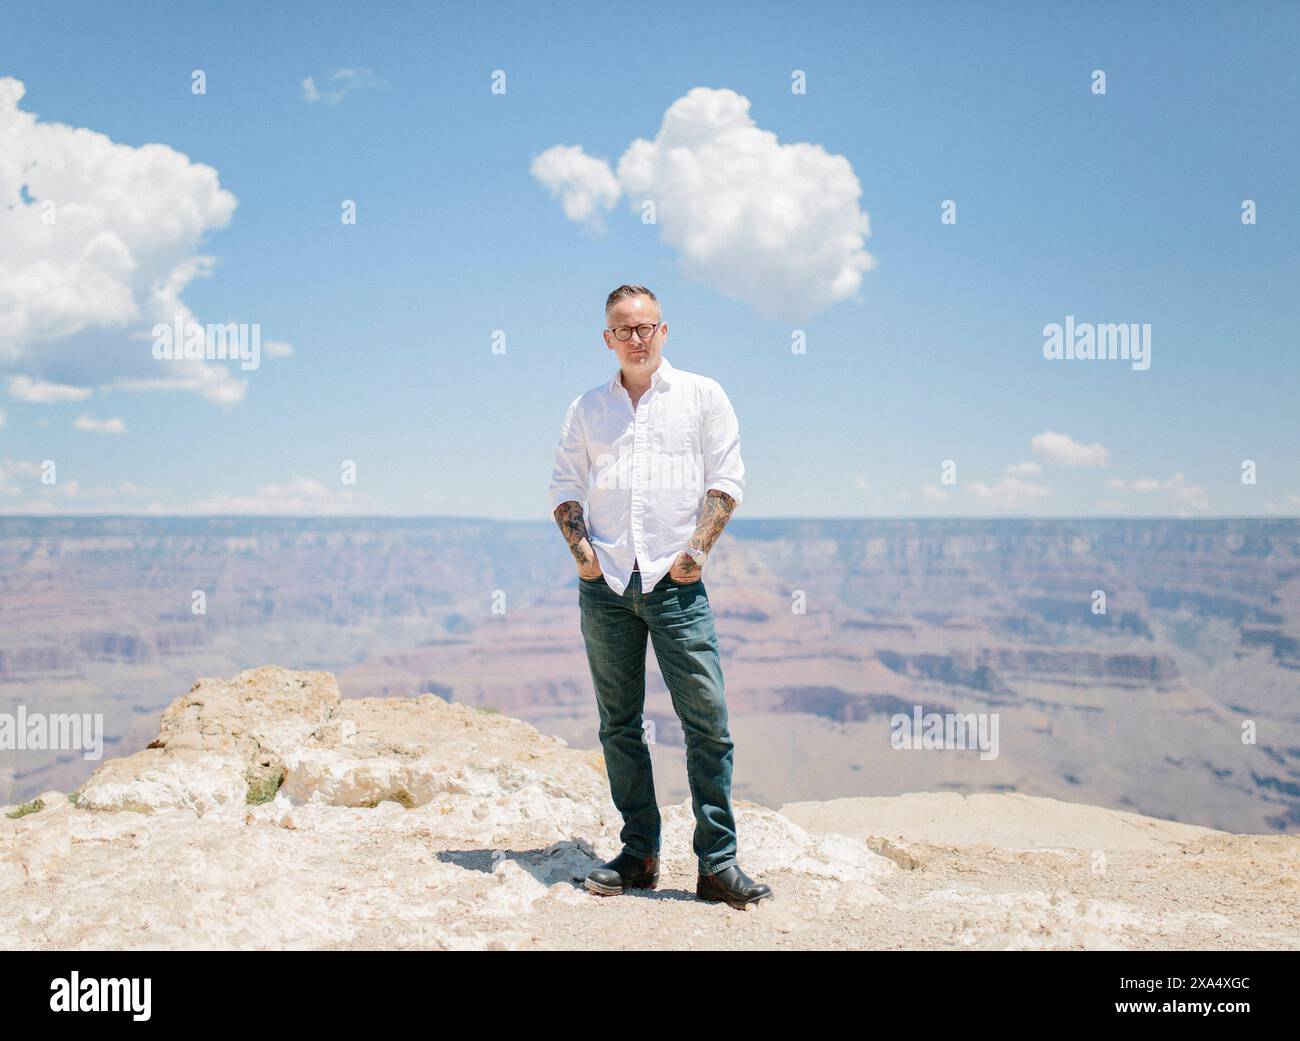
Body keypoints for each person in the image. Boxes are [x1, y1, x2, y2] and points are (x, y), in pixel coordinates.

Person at [547, 283, 773, 910]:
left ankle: (717, 864)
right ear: (608, 339)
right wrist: (584, 557)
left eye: (647, 327)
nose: (637, 338)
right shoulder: (588, 408)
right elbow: (565, 484)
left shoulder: (703, 396)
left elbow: (727, 480)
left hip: (677, 586)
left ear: (664, 332)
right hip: (609, 586)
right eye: (625, 329)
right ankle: (639, 854)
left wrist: (696, 554)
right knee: (620, 726)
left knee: (707, 722)